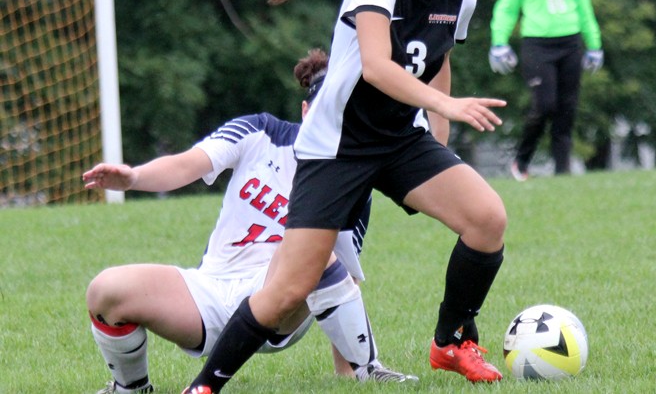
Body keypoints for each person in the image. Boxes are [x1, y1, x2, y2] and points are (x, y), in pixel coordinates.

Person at [181, 0, 507, 394]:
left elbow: (441, 59)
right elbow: (376, 67)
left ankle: (451, 341)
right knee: (288, 290)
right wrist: (444, 106)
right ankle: (204, 386)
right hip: (336, 148)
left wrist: (439, 135)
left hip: (401, 141)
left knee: (487, 220)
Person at [82, 49, 416, 394]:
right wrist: (134, 178)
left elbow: (342, 274)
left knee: (307, 249)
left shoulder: (353, 178)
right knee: (105, 289)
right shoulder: (261, 130)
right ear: (306, 111)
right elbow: (187, 164)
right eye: (325, 111)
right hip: (211, 290)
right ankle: (130, 388)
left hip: (278, 304)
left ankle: (369, 369)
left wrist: (349, 368)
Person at [489, 0, 603, 181]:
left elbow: (584, 7)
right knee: (545, 105)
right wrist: (499, 41)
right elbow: (507, 7)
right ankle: (521, 161)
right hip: (538, 45)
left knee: (568, 108)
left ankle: (562, 173)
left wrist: (594, 44)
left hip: (570, 41)